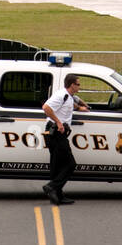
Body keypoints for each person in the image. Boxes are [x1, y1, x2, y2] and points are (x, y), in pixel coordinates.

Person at [41, 73, 89, 206]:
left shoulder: (68, 97)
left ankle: (58, 195)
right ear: (72, 85)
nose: (79, 86)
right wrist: (59, 122)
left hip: (57, 133)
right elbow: (46, 107)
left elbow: (69, 105)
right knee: (70, 164)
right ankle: (51, 187)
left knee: (58, 164)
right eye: (78, 84)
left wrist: (80, 108)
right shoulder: (62, 95)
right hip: (56, 132)